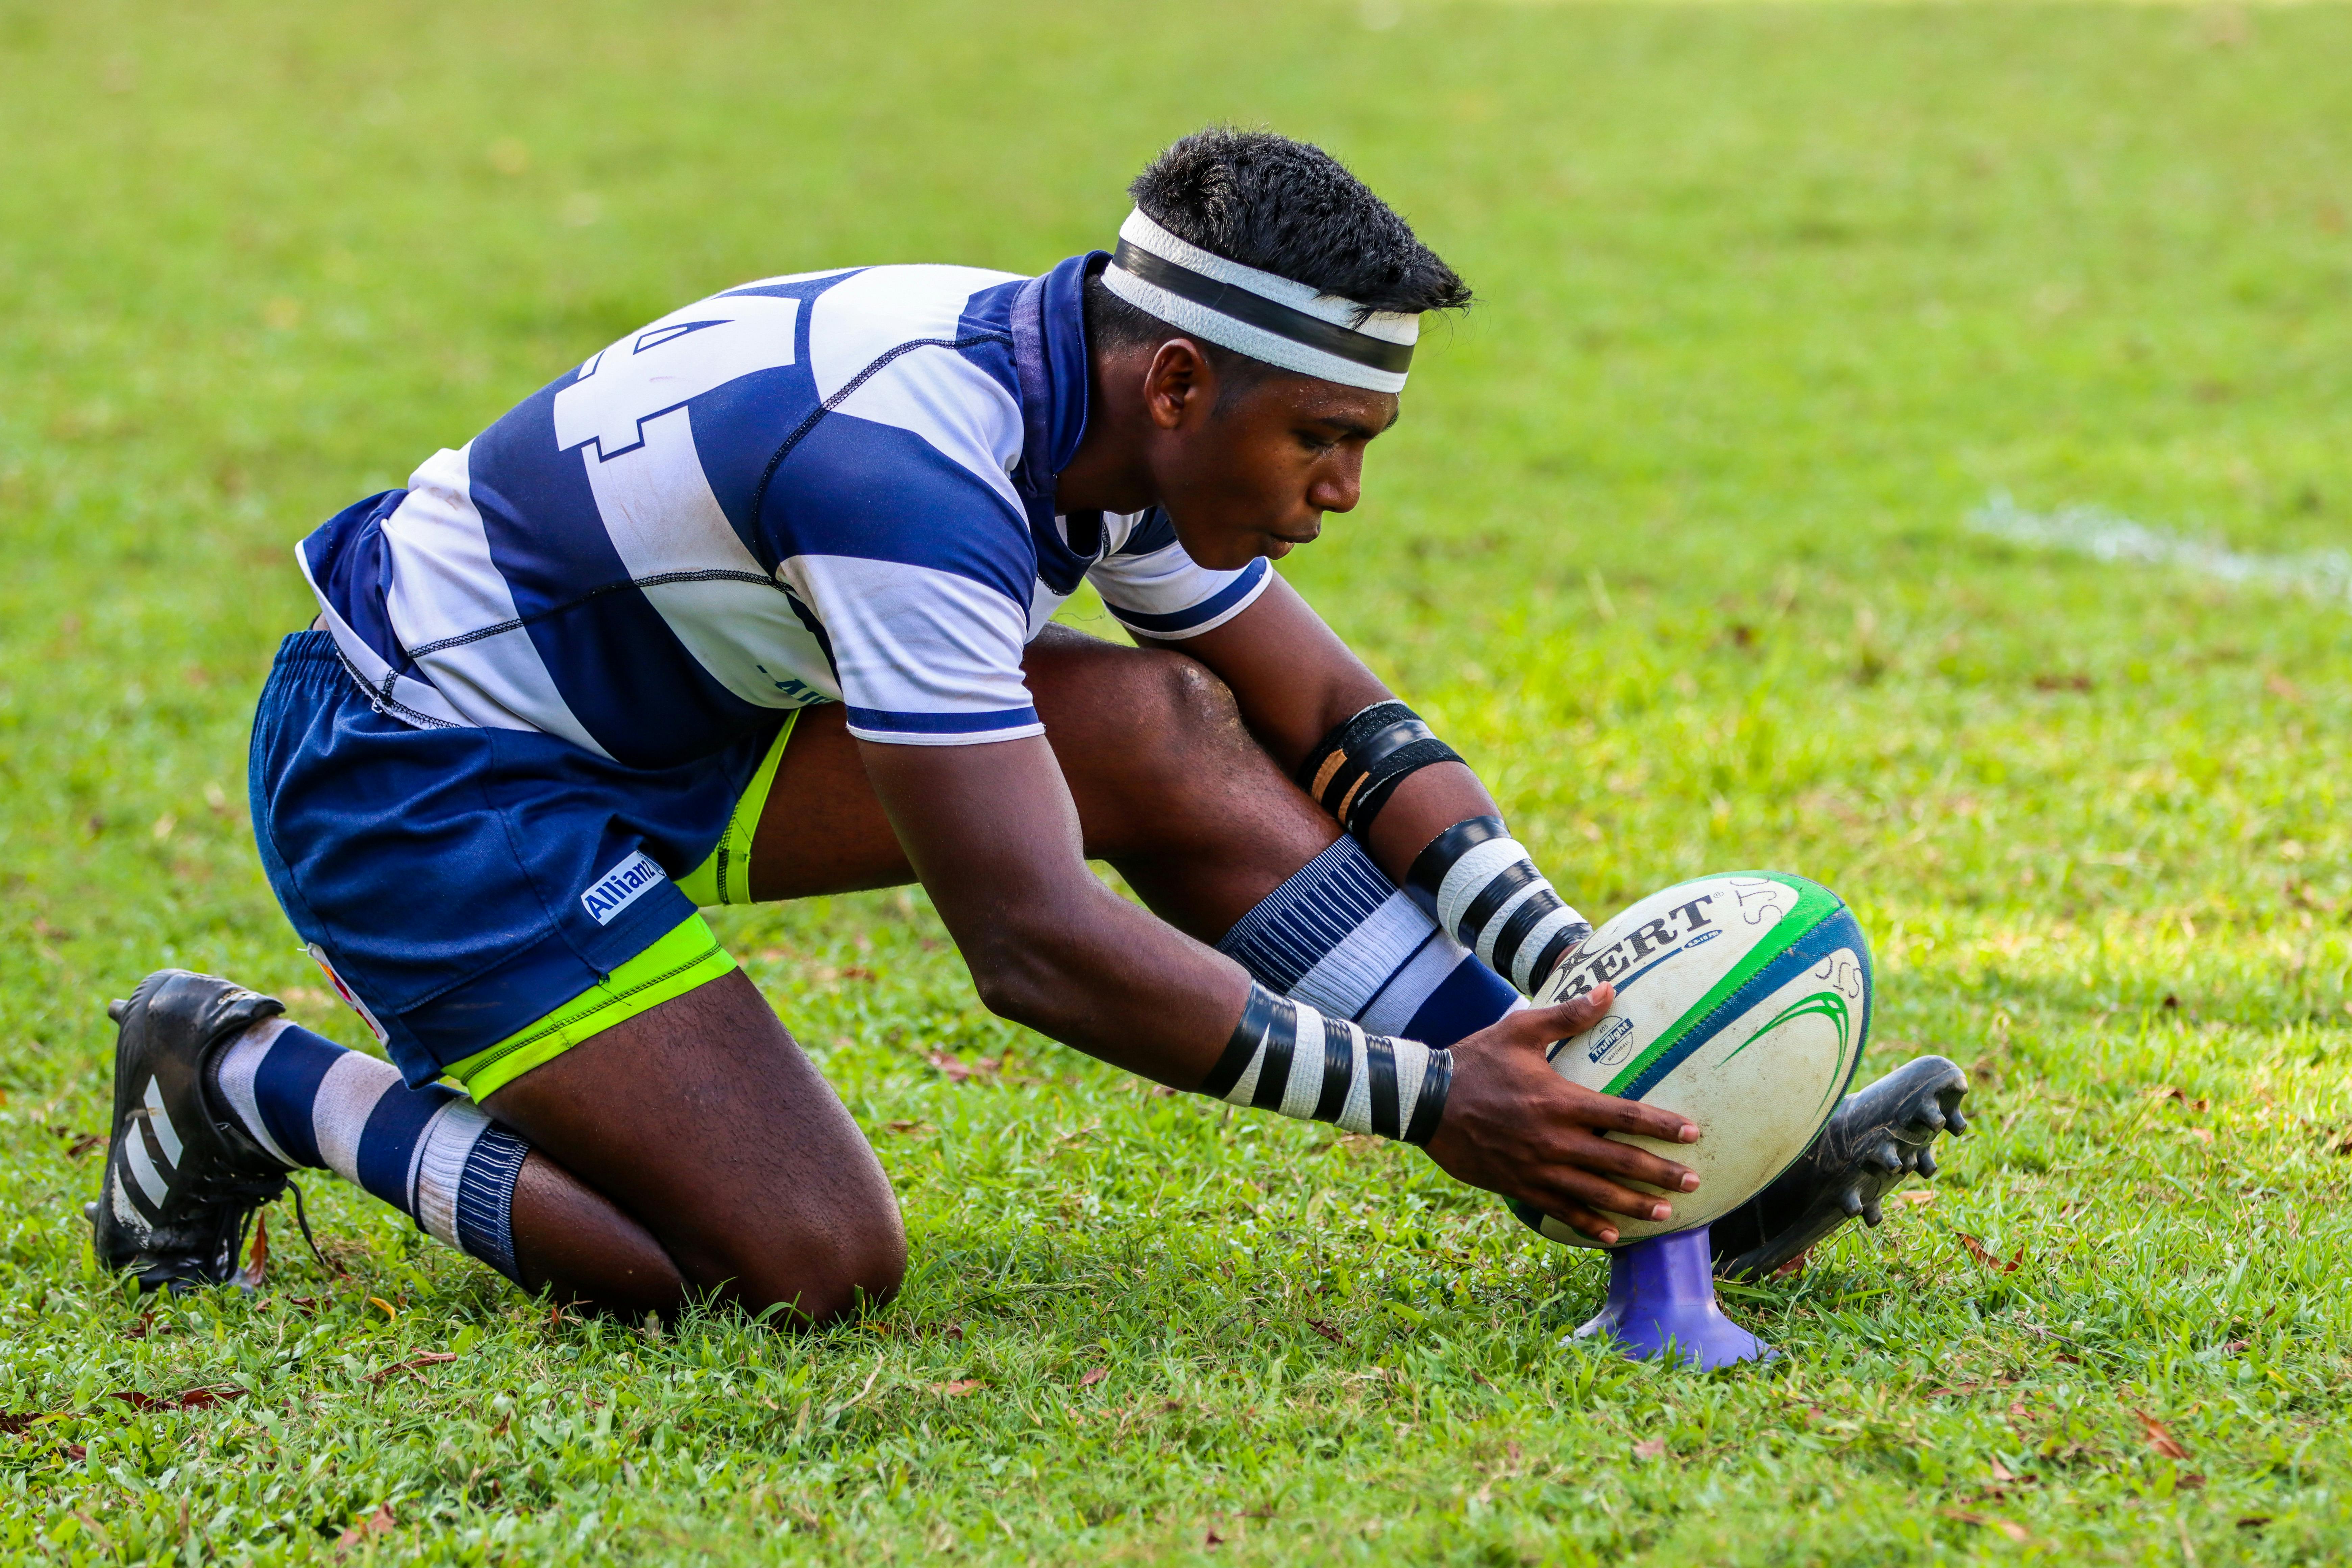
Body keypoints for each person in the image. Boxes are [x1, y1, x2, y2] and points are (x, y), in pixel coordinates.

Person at [91, 128, 1963, 1321]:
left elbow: (1328, 712)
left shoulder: (1093, 389)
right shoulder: (916, 477)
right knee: (794, 1270)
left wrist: (1566, 974)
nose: (1343, 491)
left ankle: (1600, 1132)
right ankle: (240, 1076)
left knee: (1162, 723)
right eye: (1326, 441)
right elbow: (1035, 949)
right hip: (428, 779)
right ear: (1179, 381)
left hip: (671, 723)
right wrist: (1425, 1106)